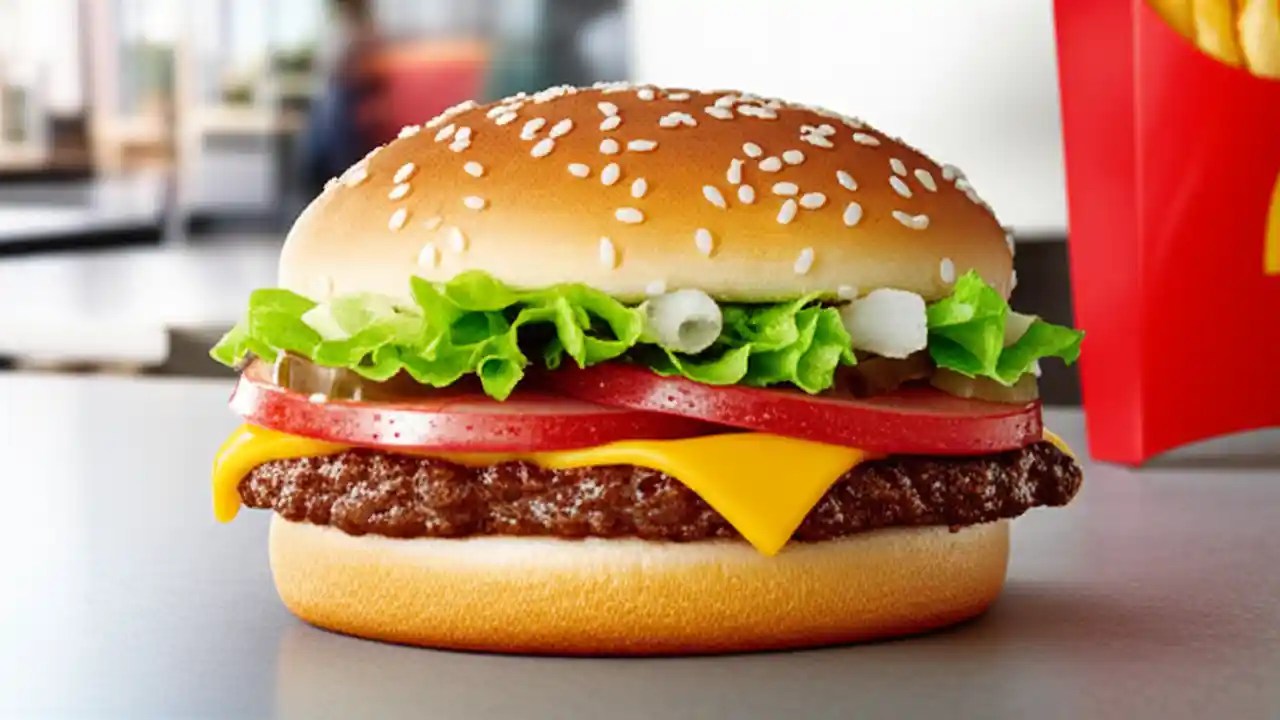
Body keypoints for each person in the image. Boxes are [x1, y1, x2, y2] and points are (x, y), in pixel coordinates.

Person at [300, 0, 381, 196]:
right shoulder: (338, 29)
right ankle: (319, 174)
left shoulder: (363, 31)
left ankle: (340, 173)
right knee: (323, 108)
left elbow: (362, 69)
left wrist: (345, 69)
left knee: (333, 107)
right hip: (334, 88)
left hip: (352, 89)